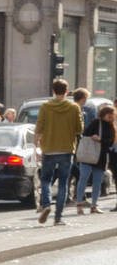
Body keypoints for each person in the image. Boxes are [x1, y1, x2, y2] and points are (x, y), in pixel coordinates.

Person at [35, 77, 83, 225]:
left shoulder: (45, 107)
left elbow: (39, 127)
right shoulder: (74, 107)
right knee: (63, 183)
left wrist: (35, 144)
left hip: (48, 148)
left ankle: (47, 205)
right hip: (66, 149)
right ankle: (58, 218)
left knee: (46, 180)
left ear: (53, 91)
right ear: (67, 91)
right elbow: (79, 129)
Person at [75, 102, 115, 213]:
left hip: (101, 158)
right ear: (103, 114)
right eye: (109, 114)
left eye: (112, 114)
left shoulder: (112, 127)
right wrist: (93, 137)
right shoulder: (96, 122)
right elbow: (86, 135)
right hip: (88, 156)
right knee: (83, 178)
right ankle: (79, 203)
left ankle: (94, 205)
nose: (111, 116)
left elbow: (110, 143)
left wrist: (100, 140)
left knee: (97, 182)